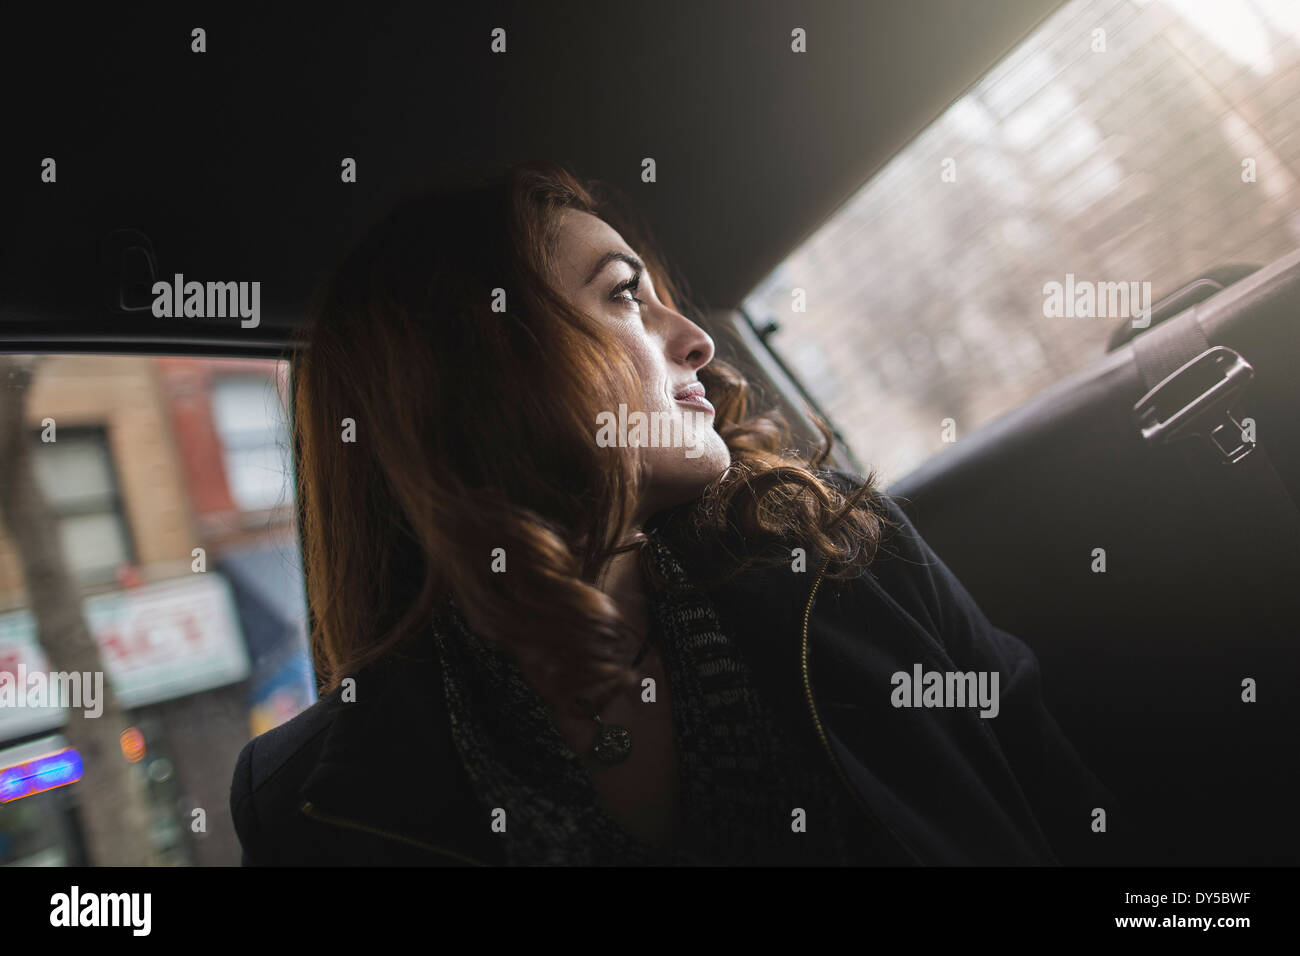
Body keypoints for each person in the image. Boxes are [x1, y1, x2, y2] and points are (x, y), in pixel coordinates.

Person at [229, 160, 1113, 866]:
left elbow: (1065, 819)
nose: (697, 340)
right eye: (623, 295)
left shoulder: (838, 550)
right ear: (484, 370)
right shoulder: (313, 801)